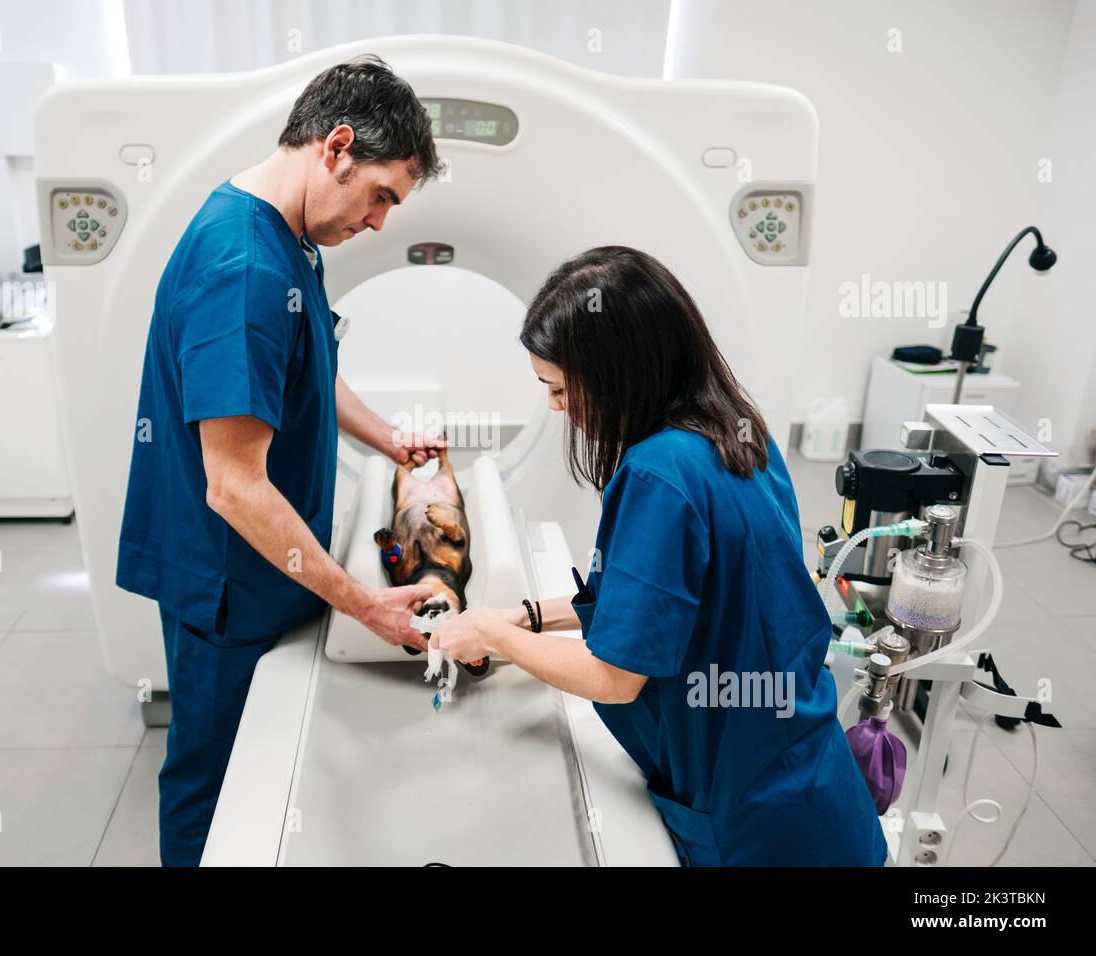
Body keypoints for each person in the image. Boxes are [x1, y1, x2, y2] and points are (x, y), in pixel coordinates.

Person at [434, 246, 888, 866]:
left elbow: (615, 680)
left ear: (618, 372)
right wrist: (530, 616)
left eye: (560, 388)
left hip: (753, 823)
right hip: (812, 784)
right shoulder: (735, 432)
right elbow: (664, 600)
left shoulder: (656, 475)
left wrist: (489, 630)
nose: (554, 406)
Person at [116, 56, 445, 866]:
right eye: (381, 197)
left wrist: (390, 441)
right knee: (216, 774)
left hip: (264, 567)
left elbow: (309, 372)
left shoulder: (290, 234)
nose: (378, 223)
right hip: (228, 575)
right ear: (336, 147)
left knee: (264, 764)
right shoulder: (247, 269)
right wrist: (364, 606)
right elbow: (232, 487)